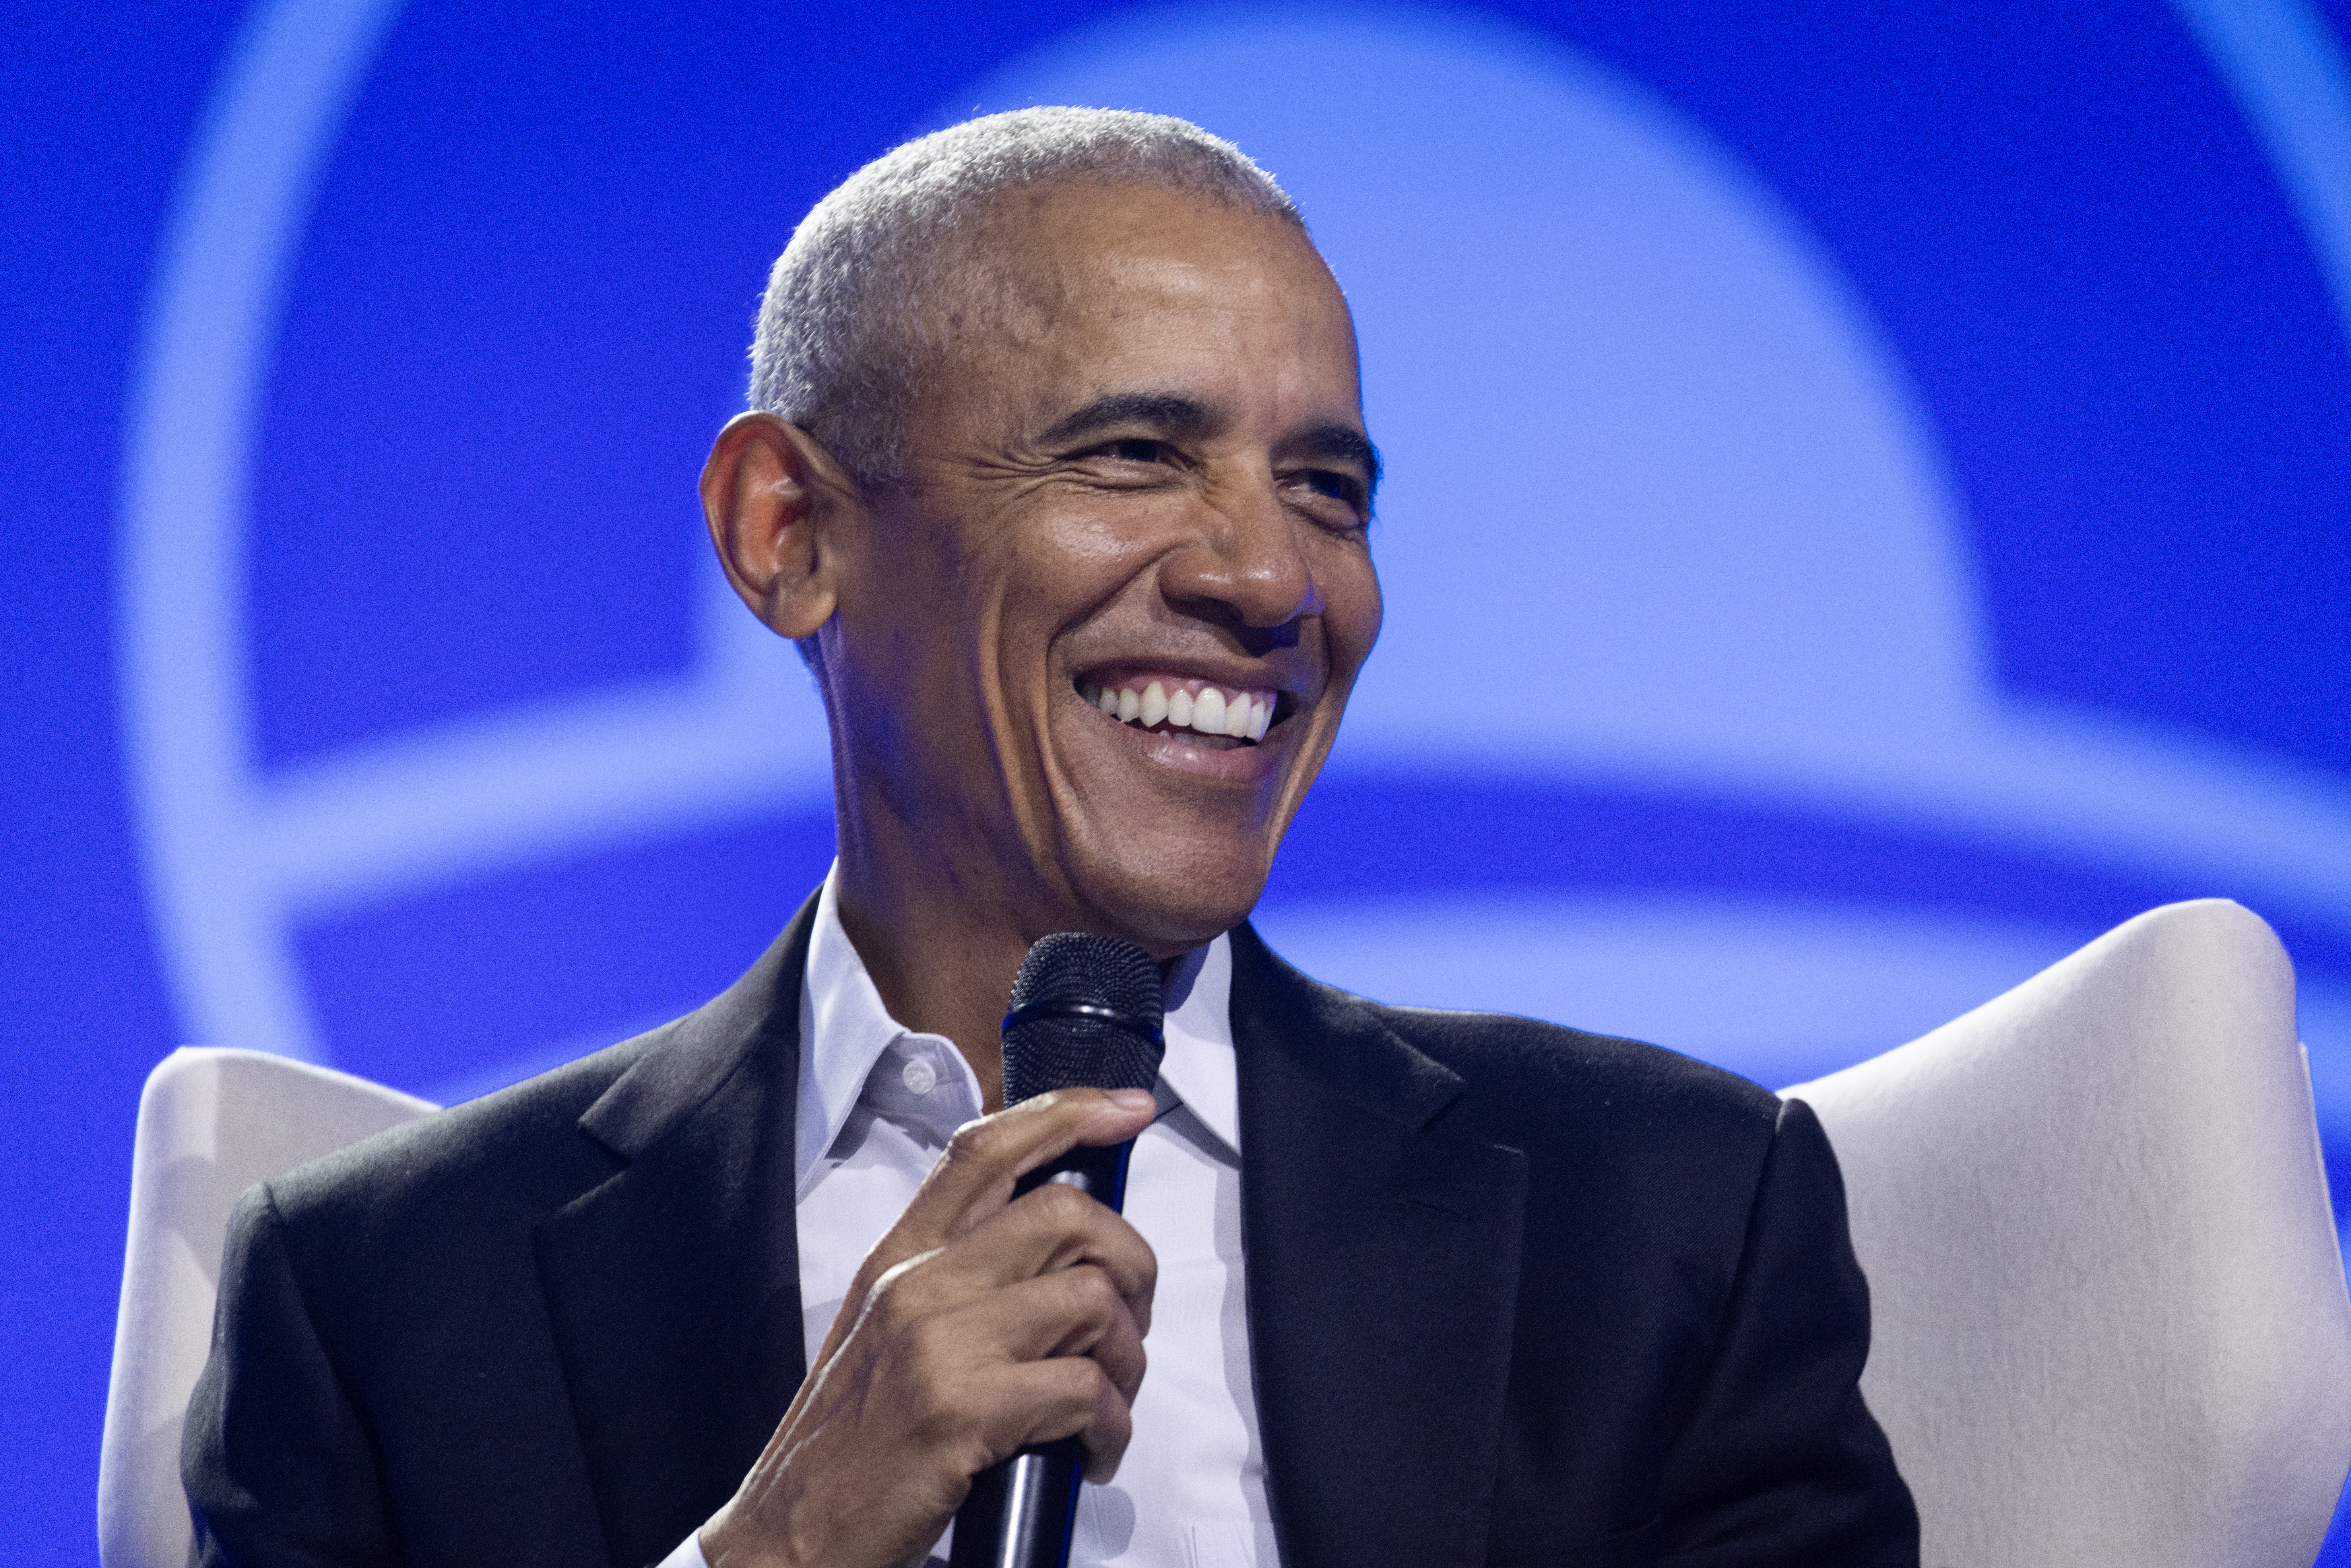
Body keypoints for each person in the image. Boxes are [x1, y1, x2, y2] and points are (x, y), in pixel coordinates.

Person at [183, 108, 1917, 1568]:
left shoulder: (1669, 1212)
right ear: (786, 531)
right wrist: (779, 1543)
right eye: (1138, 453)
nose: (1268, 578)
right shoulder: (383, 1299)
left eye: (1328, 488)